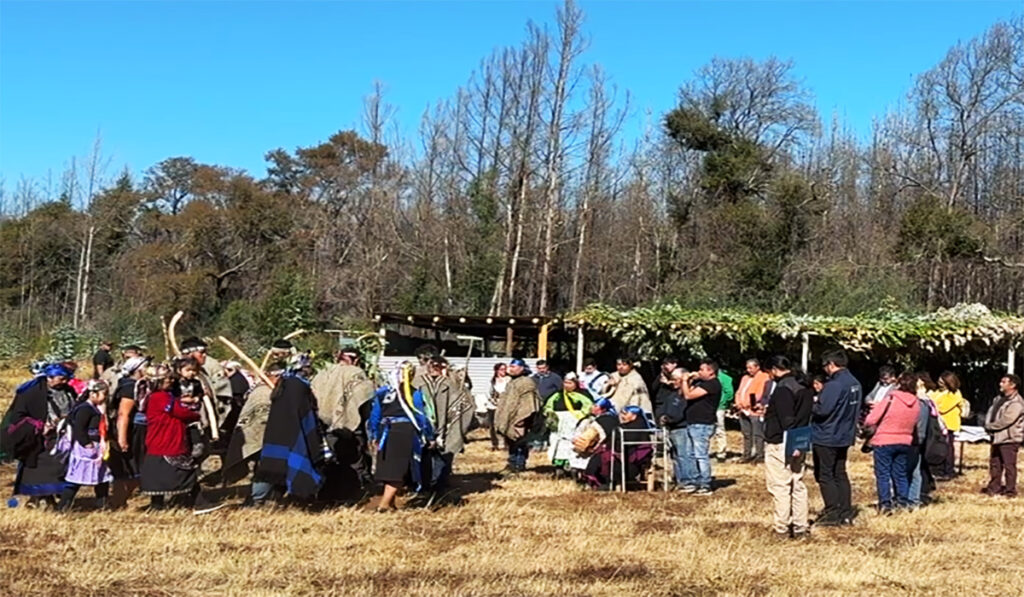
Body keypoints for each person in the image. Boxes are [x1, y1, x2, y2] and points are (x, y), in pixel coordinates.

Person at [253, 354, 330, 503]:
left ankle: (261, 498)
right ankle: (263, 498)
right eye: (307, 367)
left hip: (277, 433)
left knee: (272, 465)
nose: (309, 370)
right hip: (293, 432)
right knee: (285, 464)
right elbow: (304, 410)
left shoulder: (286, 383)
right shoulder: (298, 385)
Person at [2, 363, 76, 508]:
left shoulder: (68, 390)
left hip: (62, 436)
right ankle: (35, 498)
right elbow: (18, 416)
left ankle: (48, 498)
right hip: (38, 439)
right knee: (38, 468)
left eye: (66, 379)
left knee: (56, 467)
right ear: (50, 378)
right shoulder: (31, 393)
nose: (65, 382)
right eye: (61, 379)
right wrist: (39, 425)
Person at [311, 345, 377, 498]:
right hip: (351, 426)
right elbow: (364, 398)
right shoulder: (357, 373)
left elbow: (313, 396)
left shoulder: (322, 374)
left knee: (331, 459)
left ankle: (327, 492)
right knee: (353, 459)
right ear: (356, 359)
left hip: (325, 424)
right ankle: (354, 493)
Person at [367, 363, 435, 511]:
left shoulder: (383, 392)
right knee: (398, 468)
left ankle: (390, 503)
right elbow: (422, 417)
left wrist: (374, 434)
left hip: (386, 431)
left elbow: (375, 416)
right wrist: (429, 436)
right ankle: (384, 504)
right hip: (404, 432)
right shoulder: (414, 394)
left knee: (389, 467)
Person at [763, 356, 813, 539]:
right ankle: (801, 526)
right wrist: (799, 443)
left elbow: (787, 419)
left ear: (775, 369)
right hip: (802, 436)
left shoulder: (784, 388)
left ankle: (781, 528)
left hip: (782, 441)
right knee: (798, 483)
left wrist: (792, 444)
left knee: (780, 486)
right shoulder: (805, 385)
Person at [811, 349, 862, 527]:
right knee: (840, 473)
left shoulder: (834, 385)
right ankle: (845, 511)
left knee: (825, 474)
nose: (825, 370)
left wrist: (814, 404)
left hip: (827, 435)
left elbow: (823, 410)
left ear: (831, 365)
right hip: (845, 434)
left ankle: (832, 512)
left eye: (825, 366)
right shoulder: (855, 383)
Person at [418, 356, 476, 499]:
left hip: (447, 429)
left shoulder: (451, 384)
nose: (435, 368)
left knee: (443, 456)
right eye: (433, 365)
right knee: (423, 457)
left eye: (439, 366)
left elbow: (465, 406)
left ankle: (439, 485)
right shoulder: (418, 383)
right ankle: (424, 486)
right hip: (423, 427)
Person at [864, 372, 921, 514]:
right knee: (900, 473)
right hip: (905, 441)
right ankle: (902, 502)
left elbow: (871, 420)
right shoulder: (916, 403)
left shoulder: (890, 399)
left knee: (883, 474)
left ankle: (885, 504)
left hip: (884, 440)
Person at [58, 380, 113, 511]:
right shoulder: (84, 409)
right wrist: (86, 444)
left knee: (101, 477)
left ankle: (102, 504)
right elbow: (79, 429)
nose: (105, 397)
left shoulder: (96, 409)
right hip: (86, 448)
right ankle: (64, 506)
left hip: (97, 446)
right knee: (76, 478)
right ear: (93, 394)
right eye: (103, 394)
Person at [106, 355, 148, 507]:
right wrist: (122, 438)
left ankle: (120, 500)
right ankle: (118, 500)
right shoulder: (130, 387)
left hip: (138, 428)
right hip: (132, 430)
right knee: (129, 466)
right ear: (138, 369)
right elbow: (123, 414)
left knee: (134, 467)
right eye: (147, 366)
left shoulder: (138, 385)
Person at [679, 359, 722, 495]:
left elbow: (688, 395)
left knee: (700, 455)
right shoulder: (702, 383)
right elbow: (683, 393)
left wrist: (685, 380)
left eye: (702, 369)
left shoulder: (712, 384)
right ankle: (694, 481)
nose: (699, 371)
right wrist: (688, 381)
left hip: (703, 424)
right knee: (690, 454)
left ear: (710, 371)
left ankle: (705, 483)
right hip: (693, 422)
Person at [494, 358, 542, 474]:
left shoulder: (526, 382)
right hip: (510, 417)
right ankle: (512, 462)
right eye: (510, 367)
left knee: (520, 442)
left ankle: (518, 464)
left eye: (514, 367)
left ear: (522, 368)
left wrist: (522, 418)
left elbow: (528, 403)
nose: (511, 369)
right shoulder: (512, 382)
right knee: (511, 442)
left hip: (520, 418)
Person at [982, 374, 1024, 498]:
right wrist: (988, 425)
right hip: (997, 437)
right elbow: (991, 413)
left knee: (1009, 465)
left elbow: (1007, 420)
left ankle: (1010, 490)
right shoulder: (998, 399)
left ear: (1013, 385)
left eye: (1003, 382)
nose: (1000, 384)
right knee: (995, 464)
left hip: (1009, 439)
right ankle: (994, 487)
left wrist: (990, 426)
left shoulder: (1017, 403)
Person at [544, 373, 595, 470]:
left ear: (576, 384)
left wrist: (578, 417)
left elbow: (588, 406)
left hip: (575, 424)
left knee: (571, 443)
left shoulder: (583, 394)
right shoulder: (557, 395)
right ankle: (559, 465)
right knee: (558, 444)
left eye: (570, 383)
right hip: (559, 425)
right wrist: (551, 414)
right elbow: (548, 406)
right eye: (565, 383)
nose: (567, 385)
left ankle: (572, 465)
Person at [930, 371, 967, 479]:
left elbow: (943, 407)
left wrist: (934, 405)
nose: (939, 383)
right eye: (939, 381)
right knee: (938, 447)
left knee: (948, 448)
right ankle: (938, 468)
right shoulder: (936, 392)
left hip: (949, 424)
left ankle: (948, 470)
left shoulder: (955, 394)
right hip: (937, 424)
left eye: (943, 382)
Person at [735, 359, 771, 463]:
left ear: (757, 367)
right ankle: (746, 454)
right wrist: (738, 403)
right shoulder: (745, 378)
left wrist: (748, 404)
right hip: (742, 410)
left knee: (757, 434)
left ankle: (759, 455)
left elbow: (759, 393)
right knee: (746, 434)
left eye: (750, 368)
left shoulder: (763, 377)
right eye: (747, 368)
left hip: (754, 410)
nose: (748, 370)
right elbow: (739, 391)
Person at [581, 398, 622, 490]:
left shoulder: (602, 420)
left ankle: (597, 483)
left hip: (609, 448)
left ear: (603, 409)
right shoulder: (614, 418)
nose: (592, 408)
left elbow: (592, 438)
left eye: (596, 406)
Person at [658, 369, 689, 489]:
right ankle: (678, 479)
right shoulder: (672, 394)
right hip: (671, 428)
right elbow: (664, 408)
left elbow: (682, 412)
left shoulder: (686, 395)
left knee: (683, 455)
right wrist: (662, 417)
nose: (673, 382)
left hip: (681, 428)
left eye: (676, 379)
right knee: (674, 456)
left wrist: (671, 419)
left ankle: (686, 481)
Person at [713, 367, 735, 463]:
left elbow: (729, 393)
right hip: (708, 407)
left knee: (719, 430)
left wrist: (723, 402)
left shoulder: (725, 378)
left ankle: (721, 452)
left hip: (719, 407)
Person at [486, 363, 509, 450]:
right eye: (501, 369)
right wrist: (493, 401)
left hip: (505, 406)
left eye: (505, 369)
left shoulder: (508, 380)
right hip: (493, 406)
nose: (503, 371)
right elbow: (488, 392)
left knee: (504, 425)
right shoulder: (492, 381)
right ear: (497, 371)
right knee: (492, 426)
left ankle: (505, 443)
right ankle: (494, 443)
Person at [651, 356, 680, 421]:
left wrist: (667, 383)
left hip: (673, 404)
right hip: (661, 404)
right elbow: (653, 388)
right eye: (664, 364)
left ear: (674, 364)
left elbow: (677, 386)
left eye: (667, 364)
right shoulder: (662, 376)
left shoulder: (679, 375)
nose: (665, 366)